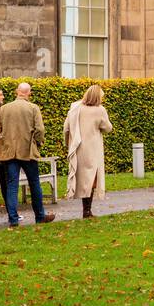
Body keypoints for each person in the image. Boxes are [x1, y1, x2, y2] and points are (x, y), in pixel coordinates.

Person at [0, 82, 56, 226]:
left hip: (9, 152)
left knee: (11, 185)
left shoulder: (4, 109)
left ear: (17, 92)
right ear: (29, 93)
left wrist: (1, 144)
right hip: (28, 151)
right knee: (34, 183)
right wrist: (38, 143)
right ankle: (40, 216)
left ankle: (13, 219)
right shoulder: (33, 108)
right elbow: (40, 130)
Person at [64, 84, 112, 218]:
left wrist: (68, 144)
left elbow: (66, 128)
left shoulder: (75, 108)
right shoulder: (100, 110)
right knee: (92, 179)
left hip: (78, 147)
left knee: (83, 178)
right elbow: (108, 128)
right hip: (93, 148)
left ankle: (86, 209)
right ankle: (87, 210)